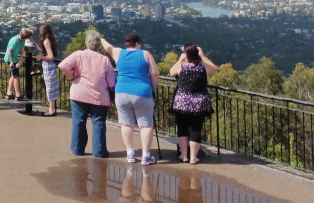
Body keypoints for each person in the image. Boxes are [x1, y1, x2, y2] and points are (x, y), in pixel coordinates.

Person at [104, 32, 160, 165]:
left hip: (122, 92)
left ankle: (130, 153)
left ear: (126, 44)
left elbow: (108, 47)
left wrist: (100, 39)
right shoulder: (145, 54)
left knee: (126, 124)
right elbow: (155, 73)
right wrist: (154, 89)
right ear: (138, 43)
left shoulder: (118, 53)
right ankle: (146, 156)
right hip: (142, 92)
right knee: (145, 125)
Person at [58, 30, 117, 156]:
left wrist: (71, 77)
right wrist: (112, 95)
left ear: (87, 42)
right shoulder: (104, 60)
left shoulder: (78, 55)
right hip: (100, 97)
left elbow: (63, 65)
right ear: (99, 45)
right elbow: (111, 83)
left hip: (79, 93)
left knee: (78, 122)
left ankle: (77, 149)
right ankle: (99, 151)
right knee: (99, 123)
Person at [170, 44, 218, 164]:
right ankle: (193, 157)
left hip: (181, 103)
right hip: (199, 103)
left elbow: (171, 72)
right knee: (195, 130)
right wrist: (203, 56)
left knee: (182, 129)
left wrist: (181, 58)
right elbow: (214, 70)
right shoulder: (202, 66)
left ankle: (184, 155)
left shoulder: (181, 66)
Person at [37, 23, 60, 117]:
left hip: (48, 66)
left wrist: (40, 57)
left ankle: (51, 110)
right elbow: (50, 53)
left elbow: (50, 56)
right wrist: (40, 49)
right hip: (52, 66)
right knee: (52, 88)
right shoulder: (50, 40)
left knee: (50, 88)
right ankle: (53, 108)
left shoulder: (46, 41)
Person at [3, 27, 33, 100]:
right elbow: (9, 51)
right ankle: (18, 95)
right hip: (10, 59)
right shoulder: (14, 40)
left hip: (16, 59)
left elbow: (22, 51)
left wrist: (20, 61)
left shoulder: (22, 41)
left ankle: (8, 94)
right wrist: (12, 62)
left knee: (13, 76)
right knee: (16, 76)